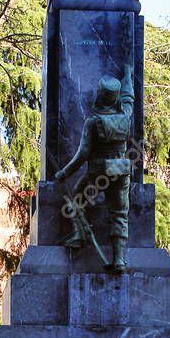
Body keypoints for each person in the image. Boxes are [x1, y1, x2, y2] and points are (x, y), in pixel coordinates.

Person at [55, 64, 134, 271]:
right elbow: (128, 97)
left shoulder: (93, 122)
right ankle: (119, 260)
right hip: (121, 170)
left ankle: (79, 234)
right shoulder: (126, 115)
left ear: (100, 96)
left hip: (99, 172)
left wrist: (65, 172)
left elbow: (82, 154)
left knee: (75, 200)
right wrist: (127, 74)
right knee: (119, 213)